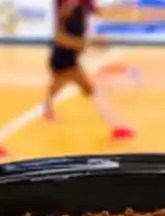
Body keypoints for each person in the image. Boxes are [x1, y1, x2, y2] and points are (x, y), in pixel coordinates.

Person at [43, 0, 133, 139]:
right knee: (92, 90)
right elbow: (61, 38)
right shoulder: (70, 10)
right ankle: (117, 127)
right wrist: (84, 44)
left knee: (57, 85)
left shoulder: (81, 8)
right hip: (65, 61)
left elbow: (97, 12)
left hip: (66, 59)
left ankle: (48, 110)